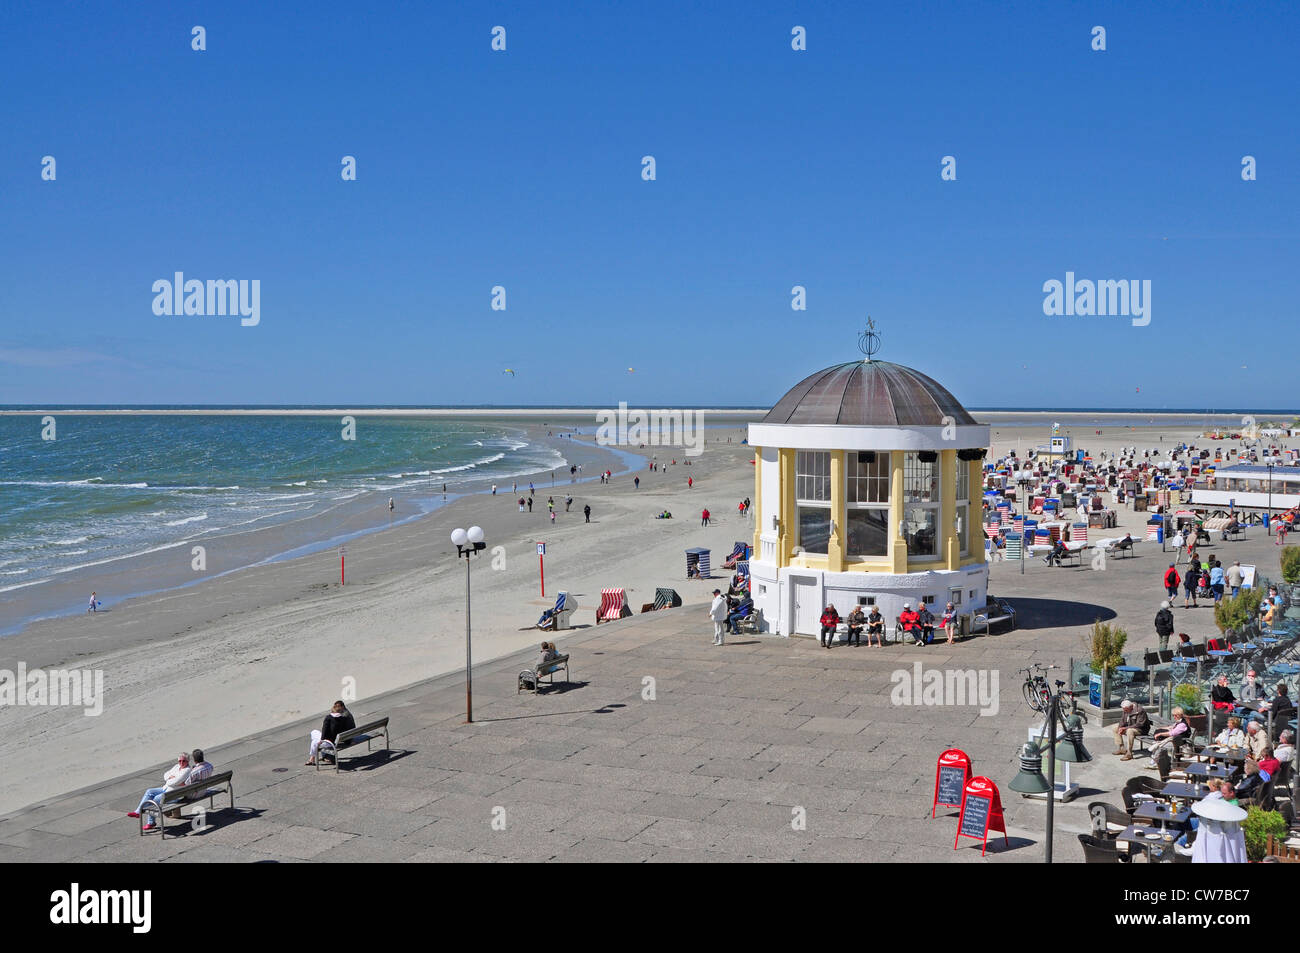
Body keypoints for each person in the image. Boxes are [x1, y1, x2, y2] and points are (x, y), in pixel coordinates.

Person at [128, 752, 192, 829]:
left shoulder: (187, 770)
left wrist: (171, 779)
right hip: (165, 789)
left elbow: (174, 782)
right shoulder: (176, 766)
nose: (181, 762)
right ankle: (138, 812)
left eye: (184, 761)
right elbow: (166, 774)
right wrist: (171, 778)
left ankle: (151, 822)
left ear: (188, 761)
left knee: (153, 800)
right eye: (180, 761)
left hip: (173, 795)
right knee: (149, 791)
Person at [306, 701, 355, 766]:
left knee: (314, 738)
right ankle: (316, 758)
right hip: (340, 739)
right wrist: (349, 741)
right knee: (315, 736)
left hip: (330, 742)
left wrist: (321, 741)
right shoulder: (345, 717)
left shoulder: (328, 718)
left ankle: (314, 759)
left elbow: (324, 732)